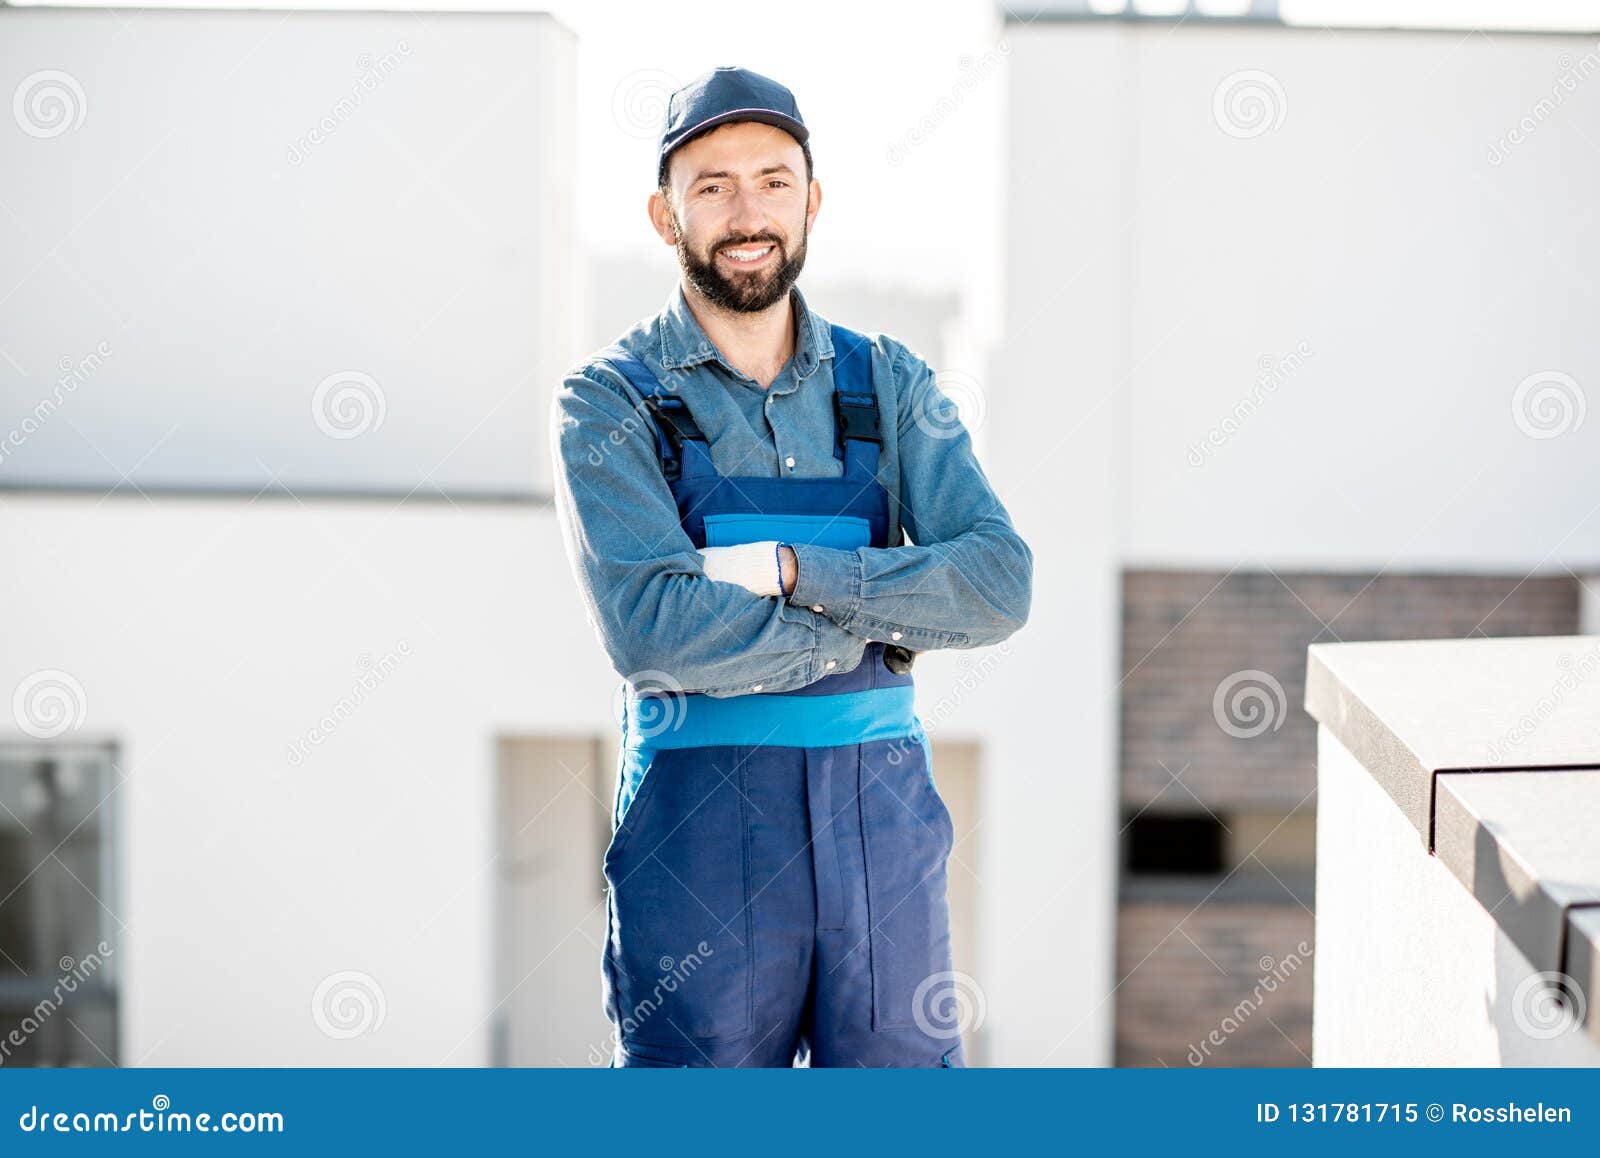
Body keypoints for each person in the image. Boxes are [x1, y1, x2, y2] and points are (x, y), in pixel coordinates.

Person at [550, 65, 1033, 1067]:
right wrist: (882, 612)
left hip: (883, 816)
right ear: (663, 212)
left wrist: (784, 570)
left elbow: (994, 584)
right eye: (712, 184)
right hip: (699, 825)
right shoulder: (608, 404)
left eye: (773, 180)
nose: (746, 211)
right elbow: (650, 627)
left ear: (811, 200)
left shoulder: (890, 382)